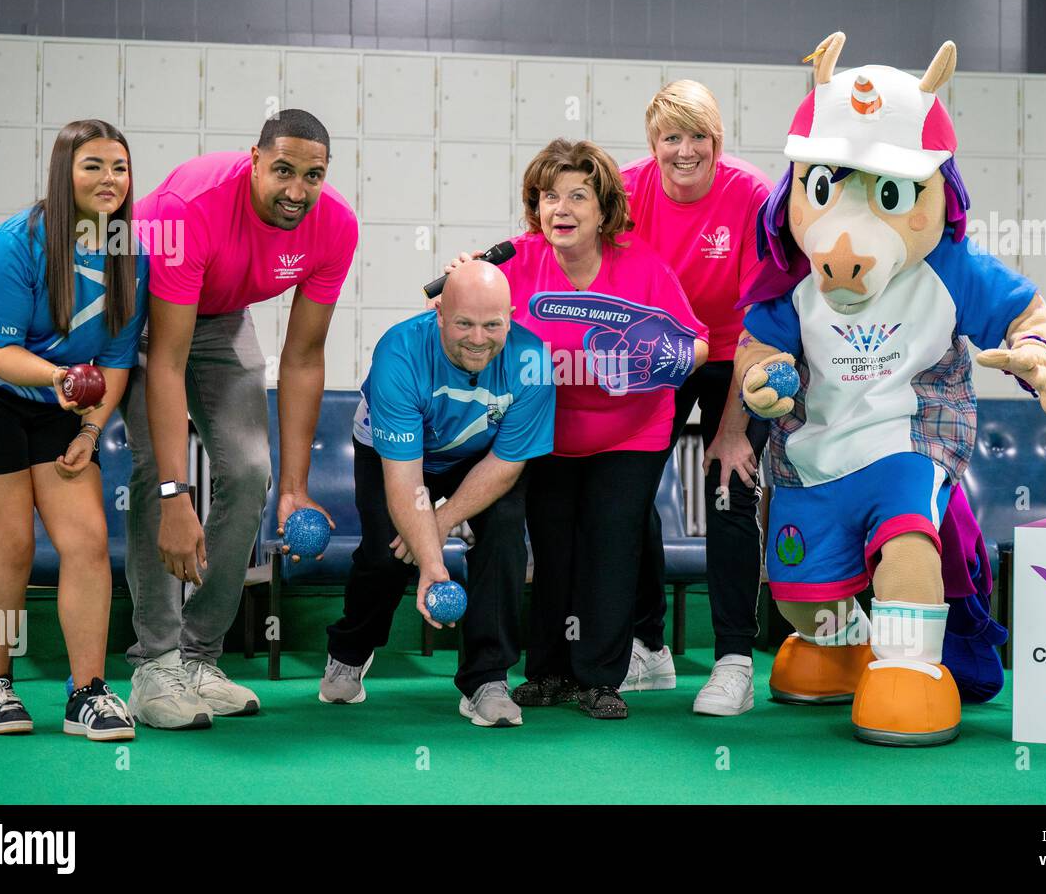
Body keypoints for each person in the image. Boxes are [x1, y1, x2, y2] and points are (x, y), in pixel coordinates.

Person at [452, 139, 708, 720]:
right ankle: (547, 672)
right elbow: (461, 318)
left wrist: (656, 363)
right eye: (549, 197)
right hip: (547, 434)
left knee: (609, 549)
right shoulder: (516, 260)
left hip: (630, 435)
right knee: (554, 550)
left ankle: (599, 679)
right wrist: (464, 281)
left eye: (576, 196)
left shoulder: (641, 265)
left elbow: (697, 343)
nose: (560, 209)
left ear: (602, 209)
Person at [123, 109, 359, 730]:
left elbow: (304, 358)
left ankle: (199, 656)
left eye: (313, 175)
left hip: (223, 316)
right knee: (155, 475)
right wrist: (179, 496)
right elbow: (168, 362)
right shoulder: (190, 206)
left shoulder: (334, 226)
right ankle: (154, 665)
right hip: (146, 315)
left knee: (252, 471)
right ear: (253, 160)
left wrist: (296, 489)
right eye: (282, 170)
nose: (296, 191)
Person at [0, 119, 148, 741]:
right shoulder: (13, 243)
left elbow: (116, 360)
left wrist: (88, 432)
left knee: (84, 543)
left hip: (63, 400)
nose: (110, 179)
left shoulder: (134, 249)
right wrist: (60, 383)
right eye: (93, 166)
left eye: (120, 167)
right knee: (13, 545)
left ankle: (88, 692)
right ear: (63, 173)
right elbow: (0, 354)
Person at [321, 260, 555, 726]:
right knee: (388, 552)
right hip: (400, 457)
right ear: (439, 314)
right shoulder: (400, 353)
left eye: (493, 325)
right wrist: (431, 563)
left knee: (505, 533)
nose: (478, 338)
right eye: (464, 323)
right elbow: (406, 483)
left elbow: (505, 466)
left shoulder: (534, 362)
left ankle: (487, 678)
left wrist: (440, 522)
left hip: (481, 458)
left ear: (510, 316)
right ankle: (351, 649)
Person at [618, 80, 775, 715]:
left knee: (728, 489)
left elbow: (764, 319)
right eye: (671, 137)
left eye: (698, 137)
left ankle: (734, 660)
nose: (685, 151)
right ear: (653, 144)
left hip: (739, 352)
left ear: (718, 142)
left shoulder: (752, 195)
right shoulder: (626, 189)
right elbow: (560, 241)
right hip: (663, 355)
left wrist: (733, 429)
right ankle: (649, 647)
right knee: (625, 491)